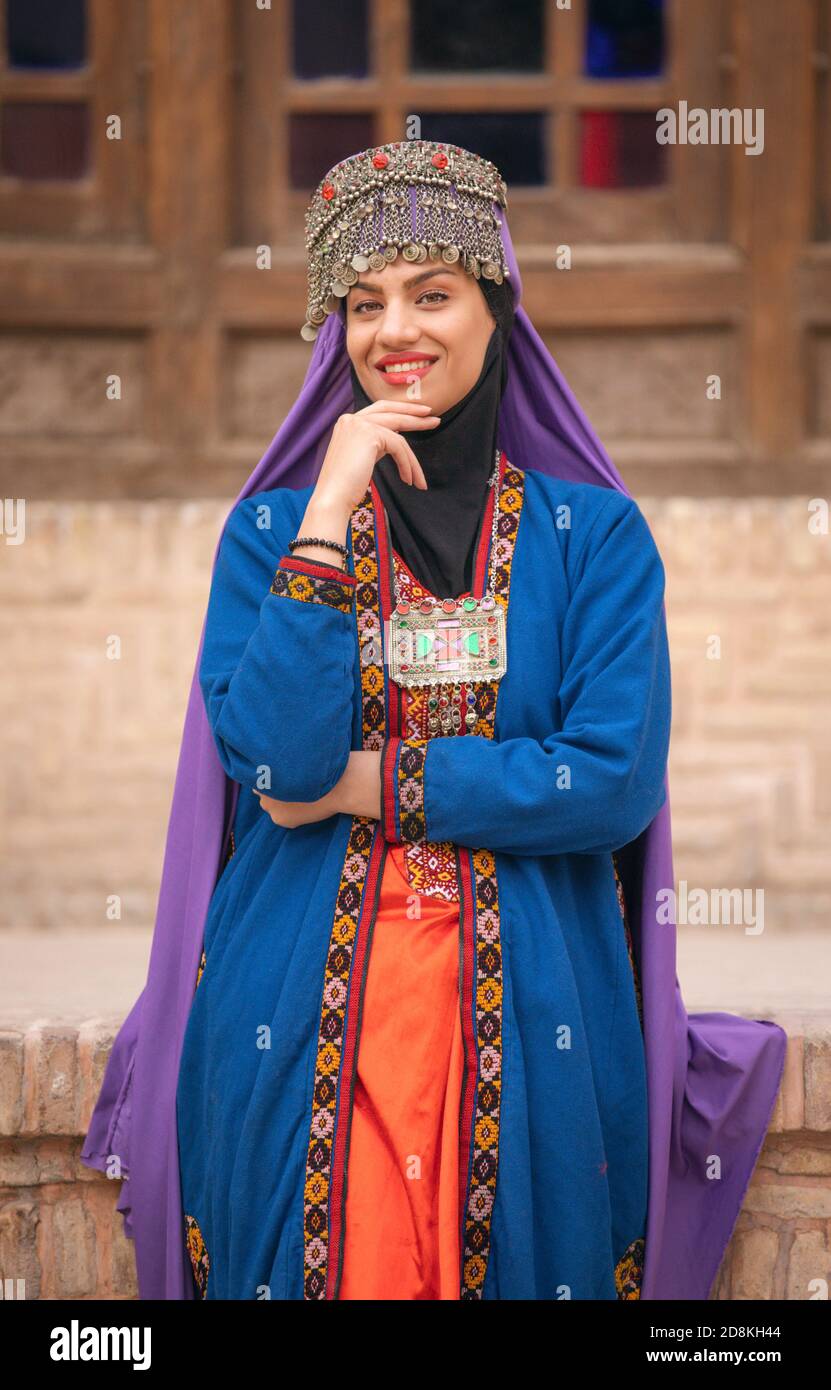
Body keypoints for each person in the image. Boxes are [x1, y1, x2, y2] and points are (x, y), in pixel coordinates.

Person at [81, 140, 787, 1302]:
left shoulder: (595, 540)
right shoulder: (269, 537)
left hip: (537, 1019)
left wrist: (374, 786)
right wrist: (329, 507)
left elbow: (608, 778)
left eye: (432, 294)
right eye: (364, 305)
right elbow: (271, 759)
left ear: (497, 311)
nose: (394, 331)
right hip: (296, 1015)